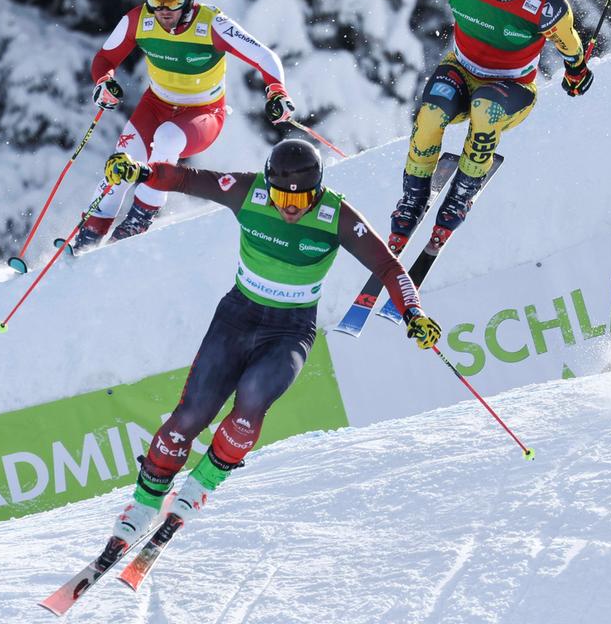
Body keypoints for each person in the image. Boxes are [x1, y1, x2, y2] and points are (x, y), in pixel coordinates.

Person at [95, 139, 442, 561]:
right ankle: (144, 505)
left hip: (290, 330)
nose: (289, 207)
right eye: (280, 196)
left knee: (251, 405)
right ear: (268, 185)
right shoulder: (249, 192)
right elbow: (186, 178)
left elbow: (388, 266)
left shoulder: (336, 216)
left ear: (317, 190)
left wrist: (413, 313)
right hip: (237, 318)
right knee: (188, 417)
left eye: (300, 199)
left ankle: (199, 486)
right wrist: (140, 172)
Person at [318, 0, 591, 255]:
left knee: (485, 109)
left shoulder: (547, 6)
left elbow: (570, 45)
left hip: (512, 87)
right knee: (431, 113)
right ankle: (413, 197)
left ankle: (462, 194)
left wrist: (577, 71)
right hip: (462, 70)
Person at [74, 0, 297, 250]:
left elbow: (265, 57)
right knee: (121, 159)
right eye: (156, 1)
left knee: (167, 139)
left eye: (173, 0)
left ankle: (138, 219)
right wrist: (104, 81)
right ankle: (88, 235)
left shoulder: (213, 24)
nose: (164, 11)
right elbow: (105, 58)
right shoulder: (138, 20)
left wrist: (277, 91)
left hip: (202, 113)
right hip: (155, 105)